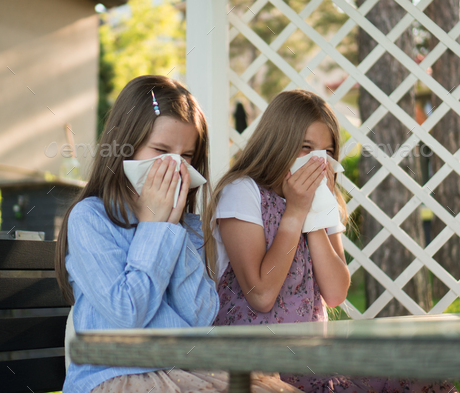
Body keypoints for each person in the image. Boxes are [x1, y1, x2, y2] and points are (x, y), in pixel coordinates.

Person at [56, 75, 301, 393]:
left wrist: (171, 227)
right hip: (112, 376)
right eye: (160, 150)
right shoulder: (91, 219)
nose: (174, 166)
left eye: (185, 156)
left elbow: (199, 316)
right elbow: (127, 315)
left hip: (181, 369)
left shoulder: (186, 227)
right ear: (123, 145)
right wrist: (154, 228)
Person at [204, 89, 456, 393]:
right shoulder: (243, 193)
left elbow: (335, 292)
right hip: (255, 364)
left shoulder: (323, 205)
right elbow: (261, 295)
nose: (316, 161)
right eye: (305, 147)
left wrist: (313, 216)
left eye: (326, 152)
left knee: (420, 371)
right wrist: (296, 213)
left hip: (312, 361)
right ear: (277, 144)